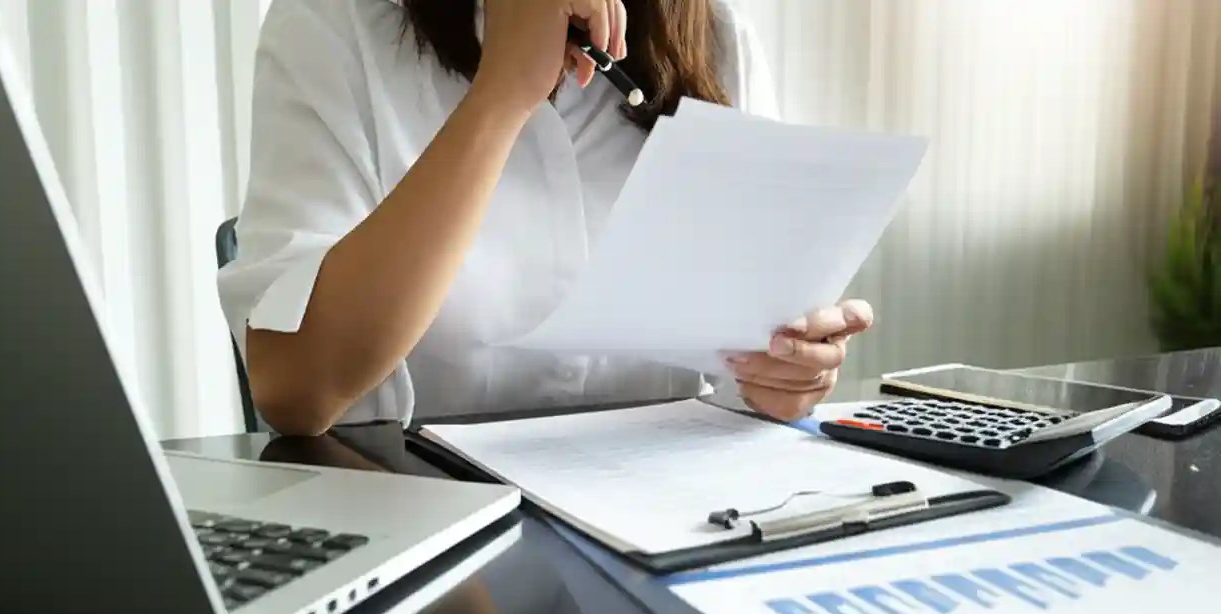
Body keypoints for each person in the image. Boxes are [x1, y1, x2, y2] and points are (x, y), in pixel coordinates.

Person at [218, 0, 875, 436]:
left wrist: (783, 375)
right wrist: (502, 93)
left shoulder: (717, 37)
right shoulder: (335, 24)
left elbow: (750, 360)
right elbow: (294, 386)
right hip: (424, 557)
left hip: (665, 532)